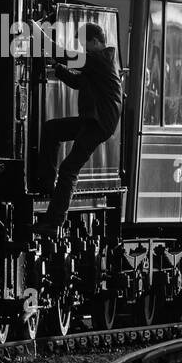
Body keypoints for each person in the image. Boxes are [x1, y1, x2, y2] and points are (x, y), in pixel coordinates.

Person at [32, 23, 123, 235]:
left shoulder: (100, 59)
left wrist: (36, 32)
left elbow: (62, 54)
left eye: (85, 44)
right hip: (92, 119)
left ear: (95, 41)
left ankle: (54, 222)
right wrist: (57, 68)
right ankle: (46, 184)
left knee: (69, 169)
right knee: (51, 129)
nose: (84, 49)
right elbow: (75, 82)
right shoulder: (98, 63)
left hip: (99, 123)